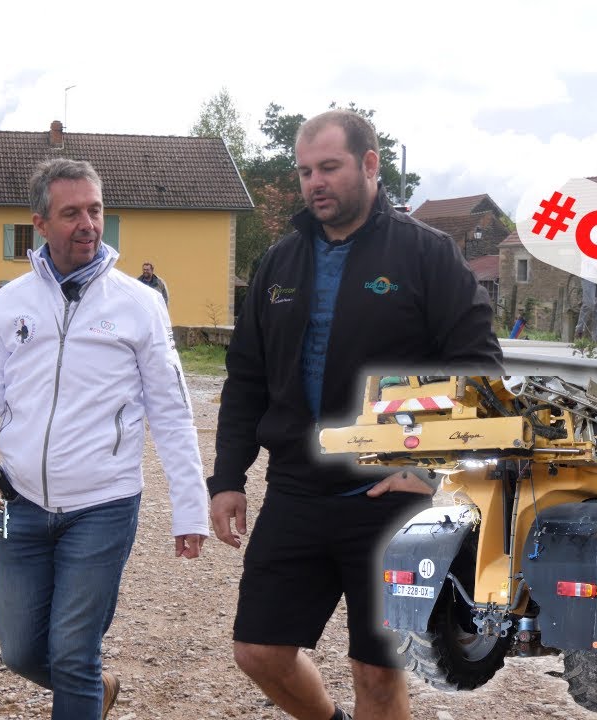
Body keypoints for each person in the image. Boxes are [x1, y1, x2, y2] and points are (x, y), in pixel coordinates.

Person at [208, 109, 503, 720]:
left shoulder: (427, 255)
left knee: (377, 671)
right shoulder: (279, 264)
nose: (314, 182)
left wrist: (429, 469)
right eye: (305, 171)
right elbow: (247, 377)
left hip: (393, 499)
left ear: (370, 164)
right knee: (259, 651)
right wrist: (228, 478)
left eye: (329, 167)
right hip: (296, 489)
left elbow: (478, 368)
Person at [0, 158, 209, 720]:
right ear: (40, 223)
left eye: (95, 210)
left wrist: (191, 510)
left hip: (104, 505)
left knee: (72, 653)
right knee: (20, 652)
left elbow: (171, 411)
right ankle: (97, 688)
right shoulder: (11, 302)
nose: (88, 223)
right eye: (72, 213)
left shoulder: (139, 304)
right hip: (22, 506)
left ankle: (83, 686)